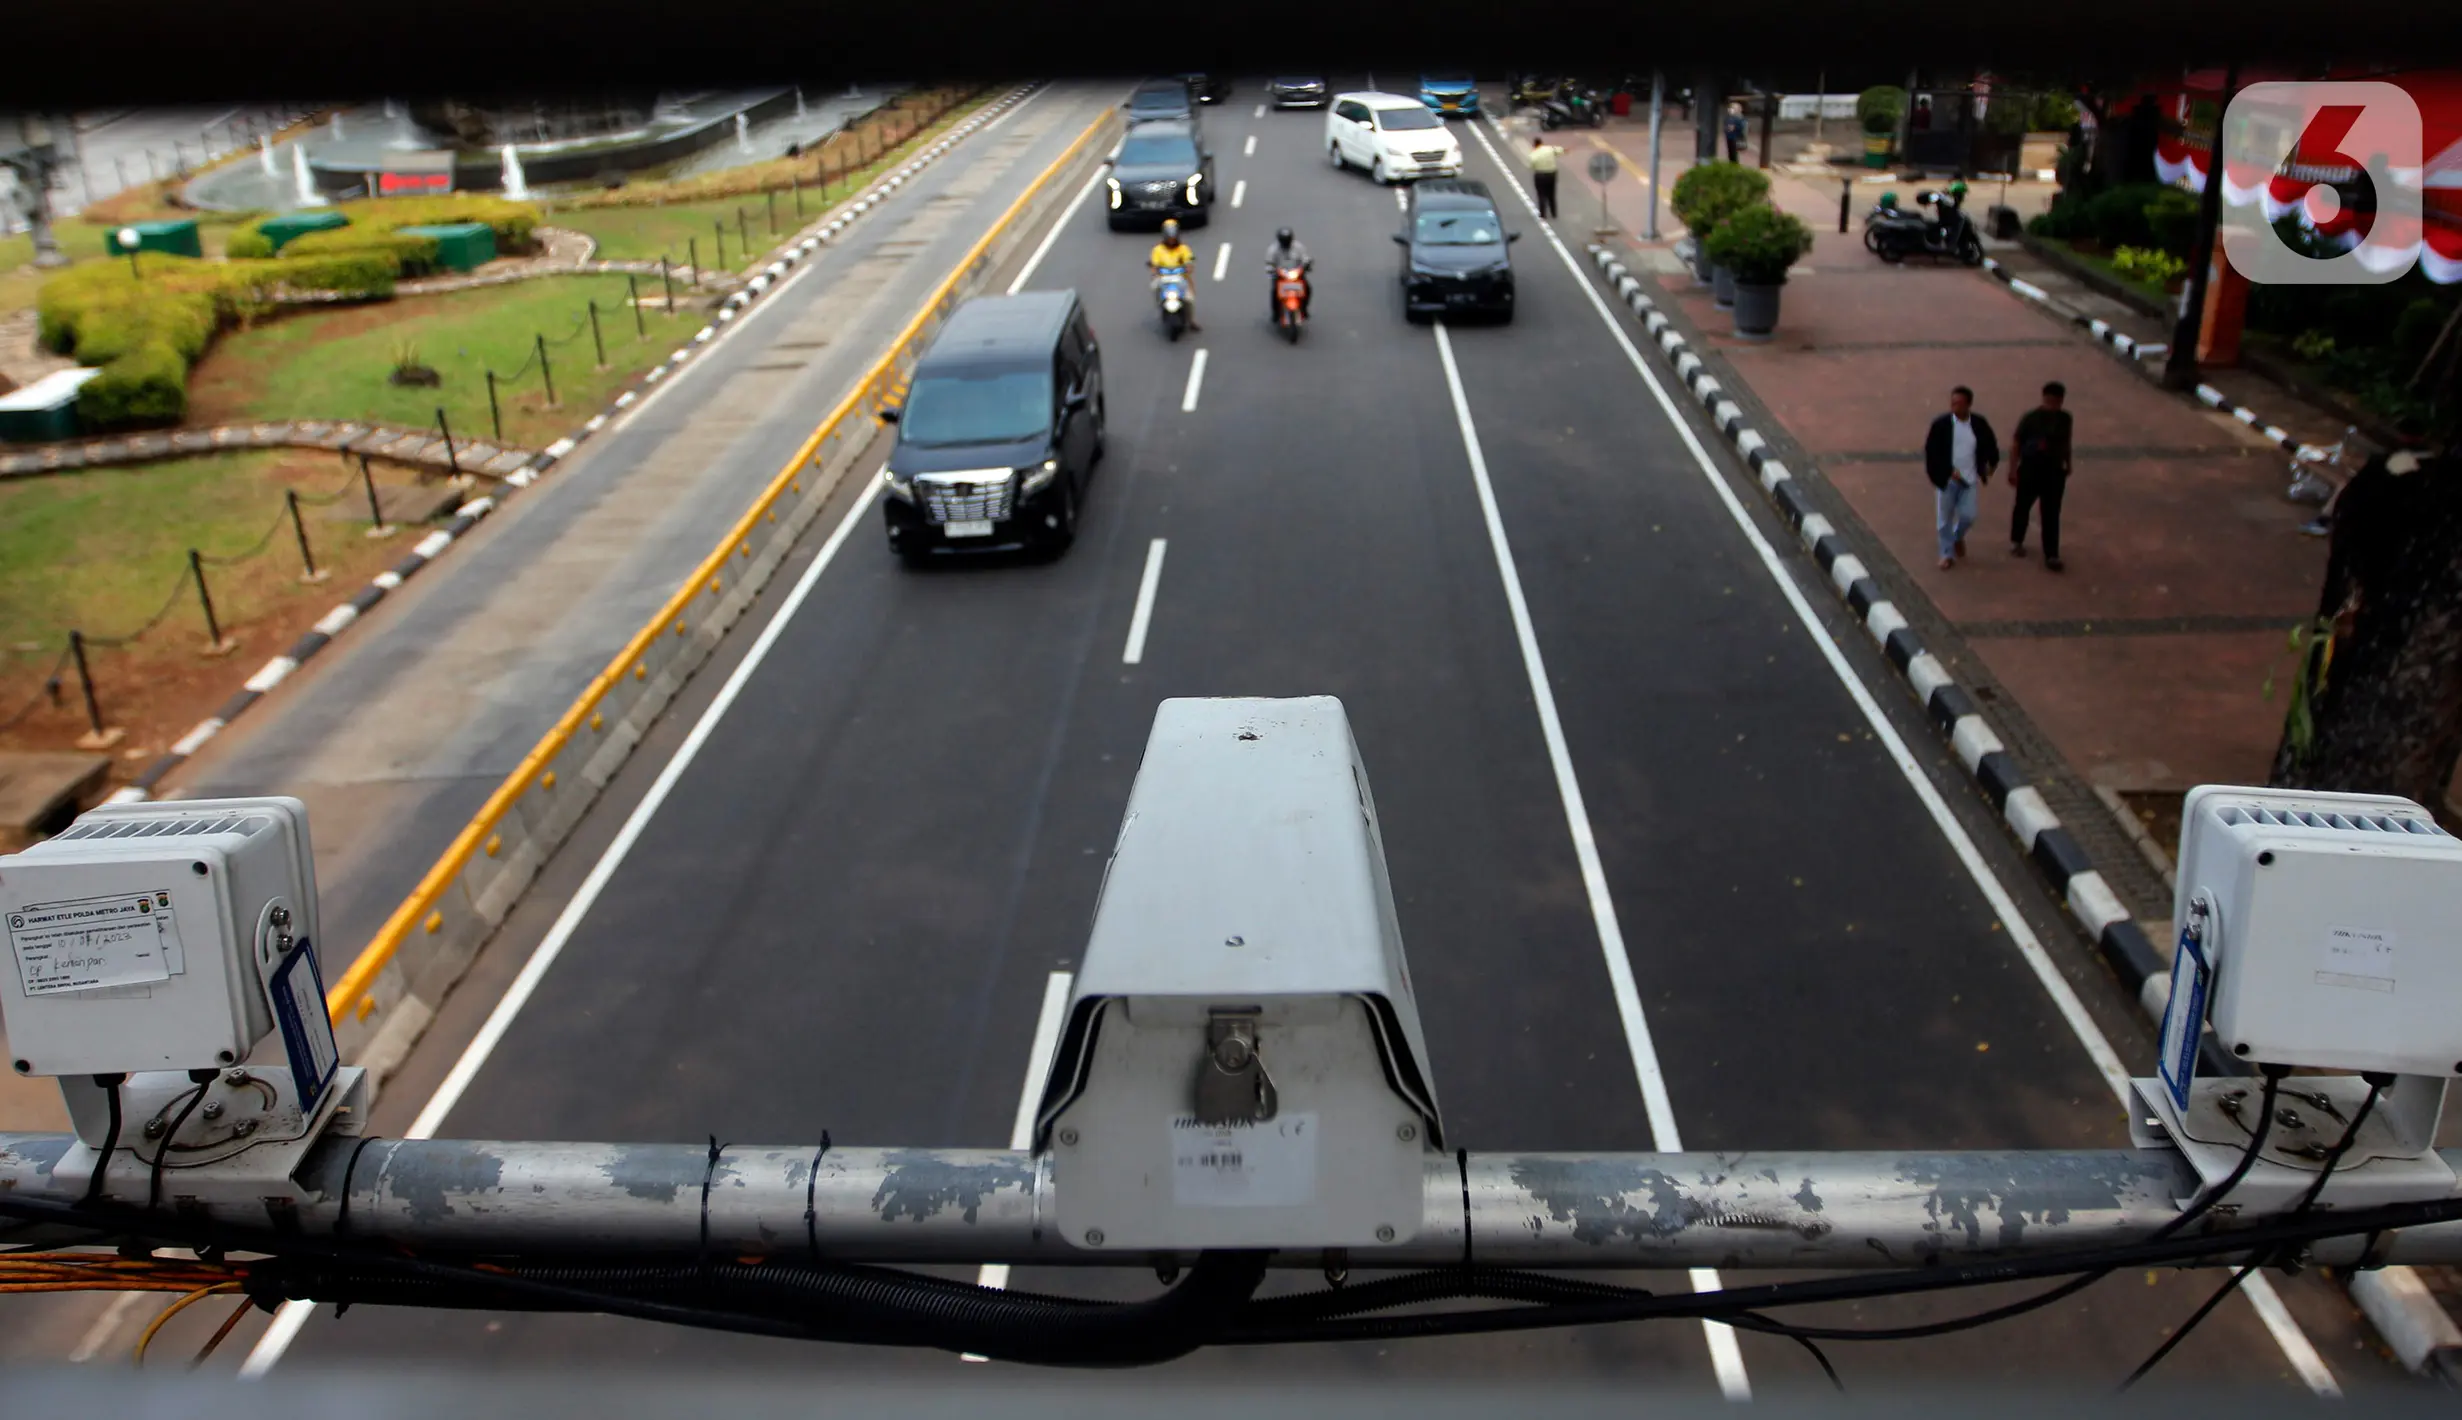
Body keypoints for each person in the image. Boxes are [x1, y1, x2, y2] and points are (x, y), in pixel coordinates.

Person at [1924, 385, 1999, 569]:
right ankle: (1946, 553)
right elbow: (1932, 452)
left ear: (1968, 405)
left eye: (1959, 403)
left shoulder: (1978, 424)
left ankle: (1957, 537)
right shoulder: (1941, 425)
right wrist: (1946, 472)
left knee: (1969, 516)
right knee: (1944, 520)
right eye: (1953, 403)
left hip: (1969, 479)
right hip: (1948, 480)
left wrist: (1991, 465)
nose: (1955, 406)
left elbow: (1990, 445)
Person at [2009, 381, 2074, 570]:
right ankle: (2017, 540)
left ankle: (2051, 553)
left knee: (2051, 511)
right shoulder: (2031, 418)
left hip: (2054, 470)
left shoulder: (2065, 418)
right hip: (2031, 468)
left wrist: (2068, 462)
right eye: (2049, 400)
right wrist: (2013, 469)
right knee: (2023, 506)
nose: (2052, 405)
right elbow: (2016, 443)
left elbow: (2066, 441)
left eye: (2056, 401)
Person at [1148, 218, 1201, 332]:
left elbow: (1189, 261)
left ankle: (1191, 320)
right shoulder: (1158, 250)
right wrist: (1154, 270)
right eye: (1169, 238)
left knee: (1189, 299)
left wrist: (1188, 267)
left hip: (1180, 278)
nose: (1171, 241)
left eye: (1173, 238)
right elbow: (1154, 264)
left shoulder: (1183, 249)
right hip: (1163, 278)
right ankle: (1160, 305)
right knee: (1154, 287)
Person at [1264, 226, 1312, 319]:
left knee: (1308, 289)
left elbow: (1305, 258)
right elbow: (1269, 262)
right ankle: (1275, 313)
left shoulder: (1298, 247)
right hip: (1280, 275)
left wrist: (1306, 265)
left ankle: (1304, 308)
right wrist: (1271, 270)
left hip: (1296, 273)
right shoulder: (1273, 249)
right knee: (1275, 292)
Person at [1529, 136, 1564, 217]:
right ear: (1542, 143)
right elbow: (1560, 150)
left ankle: (1543, 213)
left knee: (1541, 194)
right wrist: (1564, 150)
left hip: (1540, 175)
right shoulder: (1549, 149)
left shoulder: (1533, 154)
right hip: (1551, 174)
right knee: (1551, 194)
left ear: (1534, 145)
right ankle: (1554, 213)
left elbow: (1531, 165)